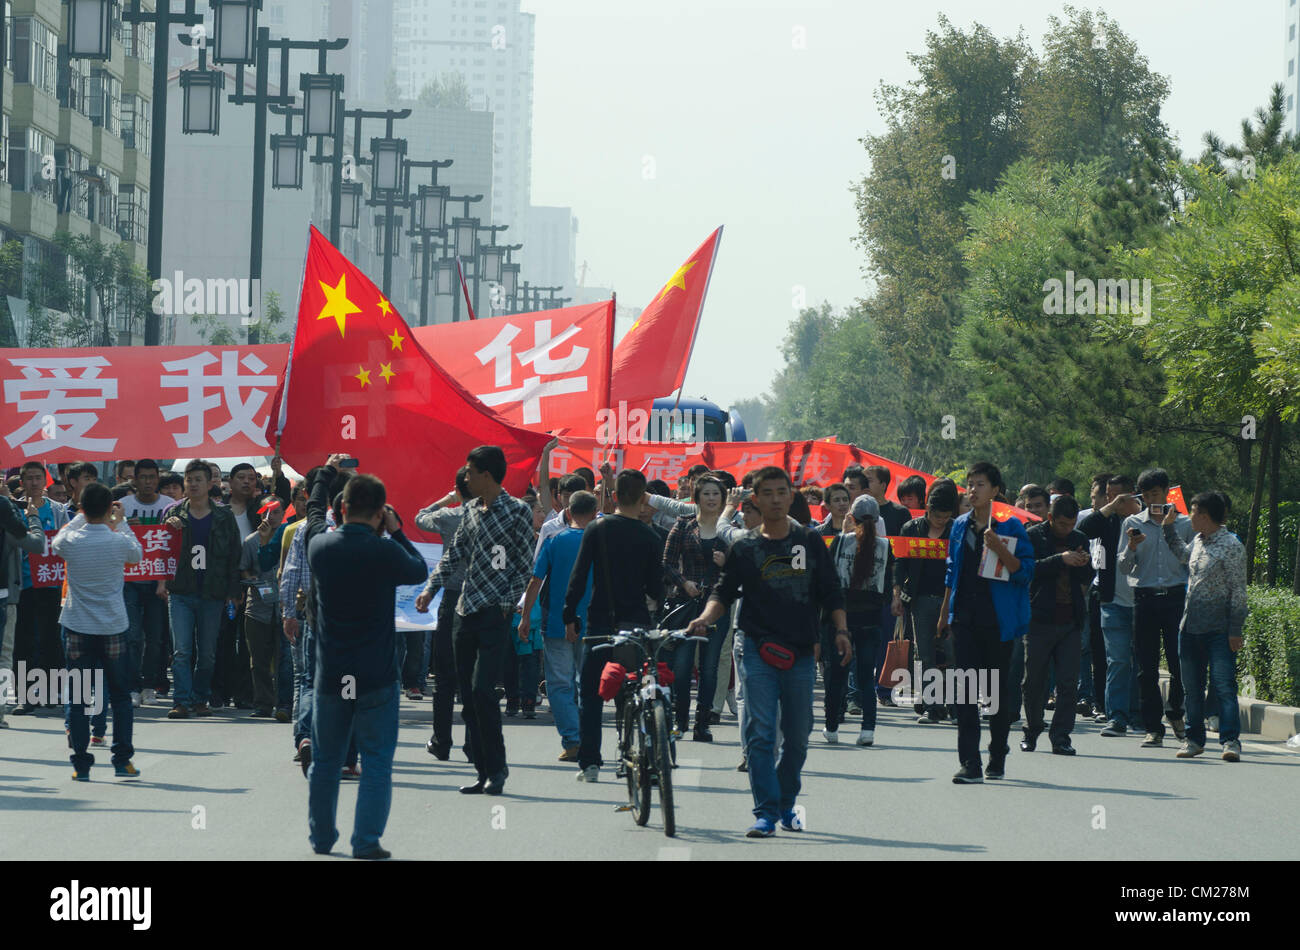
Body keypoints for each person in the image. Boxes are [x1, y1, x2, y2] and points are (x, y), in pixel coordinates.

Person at [688, 466, 849, 837]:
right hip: (758, 650)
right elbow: (723, 593)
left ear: (791, 496)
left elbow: (831, 592)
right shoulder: (745, 547)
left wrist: (841, 631)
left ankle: (786, 802)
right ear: (755, 500)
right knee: (759, 731)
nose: (776, 499)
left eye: (782, 492)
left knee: (797, 734)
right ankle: (765, 812)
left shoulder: (810, 542)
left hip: (801, 654)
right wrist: (705, 618)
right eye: (769, 493)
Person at [305, 460, 426, 859]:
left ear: (341, 509)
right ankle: (367, 841)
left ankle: (322, 839)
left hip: (333, 673)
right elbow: (419, 569)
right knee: (376, 762)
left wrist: (324, 477)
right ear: (379, 512)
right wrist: (396, 530)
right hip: (376, 673)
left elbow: (312, 517)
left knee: (326, 761)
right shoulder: (386, 551)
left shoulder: (321, 547)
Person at [418, 446, 535, 796]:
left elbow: (524, 565)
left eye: (469, 472)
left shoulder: (516, 512)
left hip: (494, 613)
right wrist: (430, 589)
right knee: (467, 695)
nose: (465, 479)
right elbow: (455, 554)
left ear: (486, 474)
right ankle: (482, 769)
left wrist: (506, 601)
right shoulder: (469, 510)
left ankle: (497, 769)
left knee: (484, 690)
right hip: (464, 611)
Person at [563, 467, 664, 783]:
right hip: (635, 623)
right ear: (643, 497)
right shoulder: (650, 536)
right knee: (632, 689)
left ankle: (590, 762)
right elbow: (657, 590)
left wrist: (569, 614)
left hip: (600, 624)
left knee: (592, 694)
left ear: (615, 496)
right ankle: (633, 750)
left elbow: (579, 576)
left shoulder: (598, 528)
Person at [939, 462, 1034, 784]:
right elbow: (951, 572)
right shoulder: (959, 526)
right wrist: (944, 614)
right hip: (964, 619)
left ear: (995, 490)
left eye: (980, 484)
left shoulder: (1011, 527)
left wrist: (999, 549)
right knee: (964, 693)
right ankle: (970, 764)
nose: (973, 490)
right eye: (970, 484)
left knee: (994, 693)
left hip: (998, 622)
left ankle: (997, 753)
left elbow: (1025, 573)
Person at [53, 484, 143, 780]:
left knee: (78, 696)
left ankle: (80, 764)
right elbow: (136, 554)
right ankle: (121, 759)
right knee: (119, 697)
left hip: (77, 624)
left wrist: (83, 514)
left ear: (81, 507)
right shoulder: (118, 542)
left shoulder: (71, 540)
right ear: (108, 508)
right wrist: (121, 521)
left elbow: (57, 541)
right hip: (112, 627)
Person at [1161, 492, 1247, 761]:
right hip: (1190, 627)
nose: (1190, 516)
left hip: (1219, 630)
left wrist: (1235, 630)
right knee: (1192, 688)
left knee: (1223, 686)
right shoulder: (1198, 541)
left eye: (1194, 512)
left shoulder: (1232, 545)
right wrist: (1167, 529)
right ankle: (1194, 739)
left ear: (1206, 516)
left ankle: (1230, 740)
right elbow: (1184, 557)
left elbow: (1238, 592)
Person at [519, 490, 598, 761]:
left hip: (555, 623)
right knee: (587, 683)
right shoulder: (599, 544)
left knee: (560, 684)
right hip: (592, 624)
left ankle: (572, 740)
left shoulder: (555, 541)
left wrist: (526, 616)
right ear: (594, 511)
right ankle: (589, 739)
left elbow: (535, 581)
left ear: (568, 510)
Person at [1118, 468, 1192, 748]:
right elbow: (1123, 567)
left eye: (1156, 493)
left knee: (1178, 664)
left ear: (1166, 492)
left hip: (1175, 598)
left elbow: (1191, 562)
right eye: (1146, 495)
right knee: (1145, 667)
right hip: (1145, 599)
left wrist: (1170, 529)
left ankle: (1175, 712)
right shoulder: (1133, 522)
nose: (1152, 500)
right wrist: (1132, 547)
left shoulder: (1184, 523)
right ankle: (1153, 728)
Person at [164, 460, 242, 719]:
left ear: (210, 483)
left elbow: (234, 555)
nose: (193, 484)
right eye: (189, 479)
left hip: (213, 593)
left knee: (207, 652)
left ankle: (200, 697)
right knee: (182, 650)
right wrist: (169, 528)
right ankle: (181, 701)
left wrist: (233, 590)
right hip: (181, 591)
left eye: (198, 479)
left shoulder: (224, 515)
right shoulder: (173, 513)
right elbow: (161, 551)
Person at [662, 475, 730, 742]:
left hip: (718, 604)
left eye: (716, 494)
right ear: (697, 497)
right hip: (686, 603)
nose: (712, 499)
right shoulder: (683, 525)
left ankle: (703, 723)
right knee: (681, 665)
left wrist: (727, 561)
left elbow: (744, 567)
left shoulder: (730, 529)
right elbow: (666, 562)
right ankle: (679, 720)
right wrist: (683, 582)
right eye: (707, 494)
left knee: (710, 666)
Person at [1022, 495, 1090, 755]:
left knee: (1068, 682)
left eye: (1071, 524)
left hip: (1070, 620)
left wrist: (1082, 564)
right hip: (1038, 619)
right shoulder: (1033, 536)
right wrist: (1060, 559)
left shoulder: (1079, 538)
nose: (1067, 529)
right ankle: (1032, 729)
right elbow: (1027, 570)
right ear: (1050, 518)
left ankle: (1061, 736)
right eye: (1062, 524)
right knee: (1034, 681)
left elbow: (1087, 577)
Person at [821, 494, 890, 747]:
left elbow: (827, 579)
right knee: (865, 676)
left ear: (851, 518)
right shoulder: (886, 546)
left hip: (841, 620)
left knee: (836, 675)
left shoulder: (839, 542)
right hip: (871, 620)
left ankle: (831, 728)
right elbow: (888, 582)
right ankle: (868, 729)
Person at [414, 467, 473, 760]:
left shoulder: (450, 516)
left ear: (459, 490)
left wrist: (445, 499)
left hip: (451, 596)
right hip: (479, 597)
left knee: (445, 677)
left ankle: (442, 741)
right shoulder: (491, 517)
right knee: (474, 676)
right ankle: (474, 743)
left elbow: (420, 517)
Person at [1079, 474, 1143, 737]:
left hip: (1142, 601)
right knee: (1116, 660)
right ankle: (1116, 716)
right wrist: (1108, 508)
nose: (1112, 501)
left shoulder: (1147, 521)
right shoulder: (1105, 521)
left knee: (1140, 662)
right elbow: (1083, 530)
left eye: (1118, 497)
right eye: (1107, 496)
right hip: (1111, 599)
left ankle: (1138, 715)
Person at [894, 479, 958, 724]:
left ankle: (955, 706)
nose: (941, 521)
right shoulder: (911, 528)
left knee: (954, 654)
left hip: (951, 601)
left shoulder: (957, 530)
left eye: (946, 516)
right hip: (920, 600)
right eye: (937, 516)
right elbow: (900, 563)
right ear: (927, 509)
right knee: (924, 654)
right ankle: (932, 706)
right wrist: (897, 593)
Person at [9, 463, 71, 716]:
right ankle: (26, 695)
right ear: (21, 482)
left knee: (51, 638)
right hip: (23, 583)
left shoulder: (57, 510)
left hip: (51, 582)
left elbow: (67, 539)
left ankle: (53, 692)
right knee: (23, 641)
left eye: (38, 478)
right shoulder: (13, 509)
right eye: (29, 479)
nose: (34, 483)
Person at [121, 459, 177, 708]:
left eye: (151, 477)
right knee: (132, 636)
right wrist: (122, 529)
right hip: (129, 580)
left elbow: (176, 543)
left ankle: (149, 684)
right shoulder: (122, 506)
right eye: (142, 477)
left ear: (157, 479)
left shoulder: (170, 506)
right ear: (134, 480)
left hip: (158, 579)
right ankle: (132, 685)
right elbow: (110, 535)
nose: (147, 481)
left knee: (155, 638)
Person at [211, 462, 260, 710]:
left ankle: (246, 693)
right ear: (230, 481)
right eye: (241, 477)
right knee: (224, 640)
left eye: (251, 478)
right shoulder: (219, 511)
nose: (246, 482)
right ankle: (220, 690)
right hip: (225, 584)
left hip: (255, 583)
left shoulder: (260, 509)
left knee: (251, 644)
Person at [0, 482, 47, 728]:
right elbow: (36, 544)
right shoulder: (5, 513)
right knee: (4, 654)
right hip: (5, 595)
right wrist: (33, 518)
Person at [240, 499, 288, 720]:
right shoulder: (251, 541)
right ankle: (263, 703)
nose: (272, 517)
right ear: (261, 515)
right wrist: (253, 580)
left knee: (284, 660)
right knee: (258, 659)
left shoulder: (291, 537)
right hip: (257, 606)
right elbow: (243, 570)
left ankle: (284, 702)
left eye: (277, 512)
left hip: (285, 607)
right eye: (267, 513)